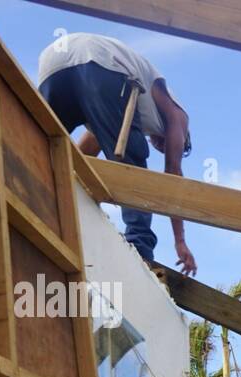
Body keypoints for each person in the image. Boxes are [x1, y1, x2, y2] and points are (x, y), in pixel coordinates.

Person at [38, 32, 197, 274]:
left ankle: (35, 201)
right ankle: (140, 247)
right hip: (102, 64)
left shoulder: (118, 113)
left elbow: (82, 156)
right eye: (170, 146)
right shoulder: (178, 116)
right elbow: (172, 175)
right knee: (132, 168)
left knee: (42, 148)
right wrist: (180, 241)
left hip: (54, 65)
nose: (161, 147)